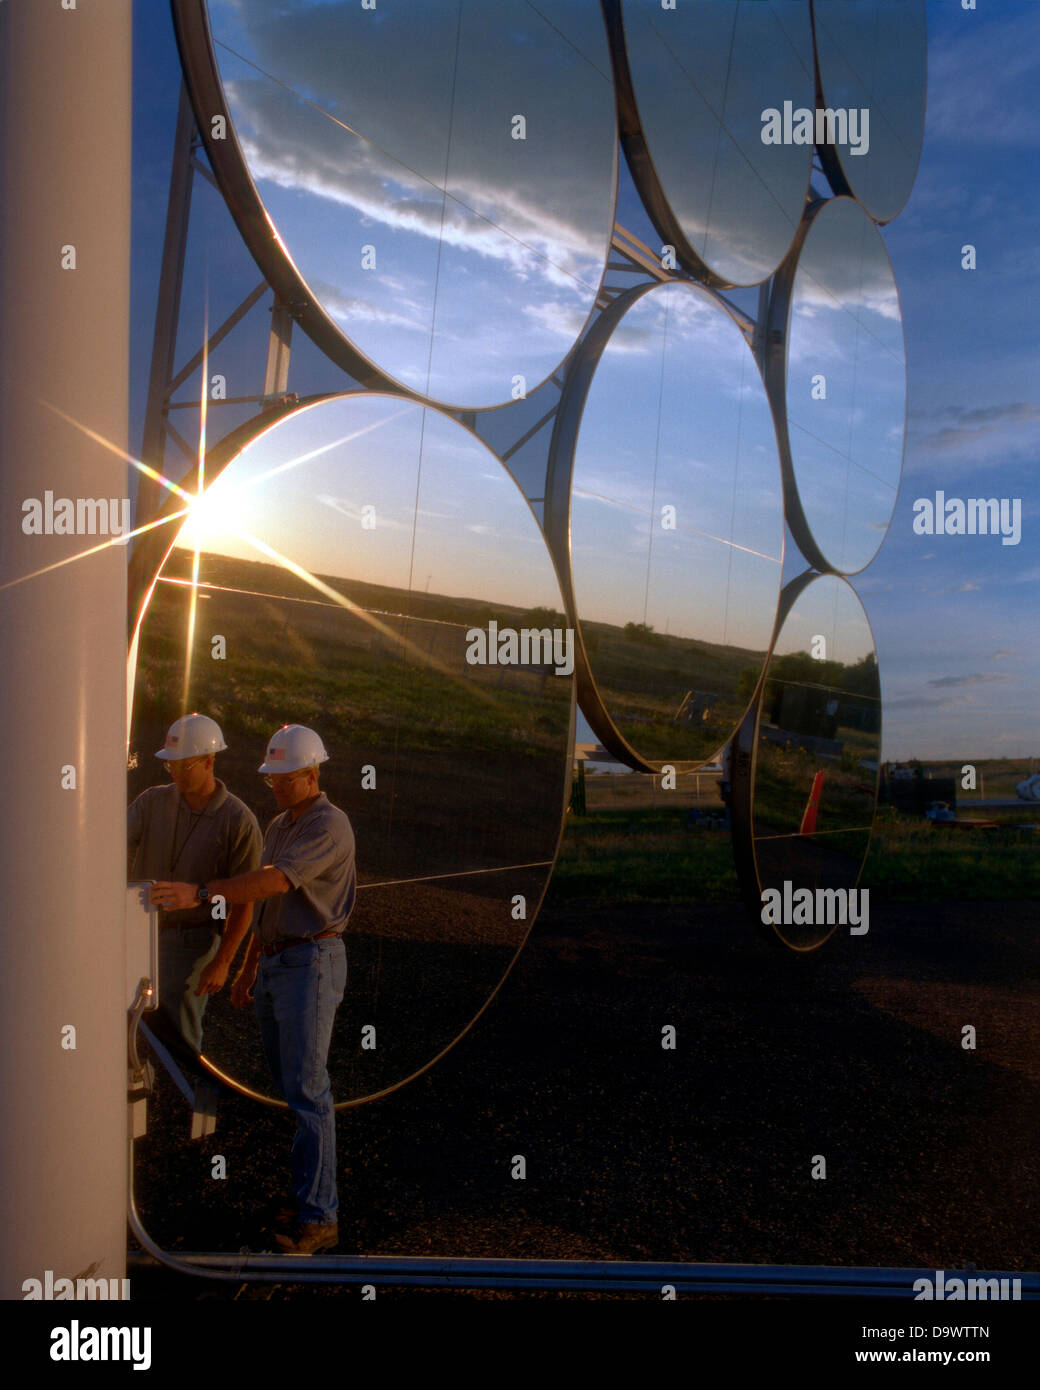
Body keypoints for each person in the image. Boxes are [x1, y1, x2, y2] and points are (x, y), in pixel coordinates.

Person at [151, 724, 356, 1255]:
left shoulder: (328, 826)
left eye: (285, 779)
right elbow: (266, 907)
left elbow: (273, 883)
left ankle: (320, 1216)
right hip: (281, 961)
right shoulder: (282, 822)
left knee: (309, 1091)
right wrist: (248, 969)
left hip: (312, 959)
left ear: (312, 775)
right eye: (272, 780)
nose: (277, 787)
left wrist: (201, 892)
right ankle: (308, 1197)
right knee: (296, 1088)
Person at [128, 713, 262, 1053]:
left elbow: (245, 898)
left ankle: (190, 1099)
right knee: (128, 1024)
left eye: (183, 766)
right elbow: (110, 847)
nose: (174, 772)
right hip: (138, 933)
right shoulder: (151, 802)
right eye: (170, 765)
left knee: (180, 1038)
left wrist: (222, 961)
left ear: (209, 760)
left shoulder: (237, 821)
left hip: (194, 942)